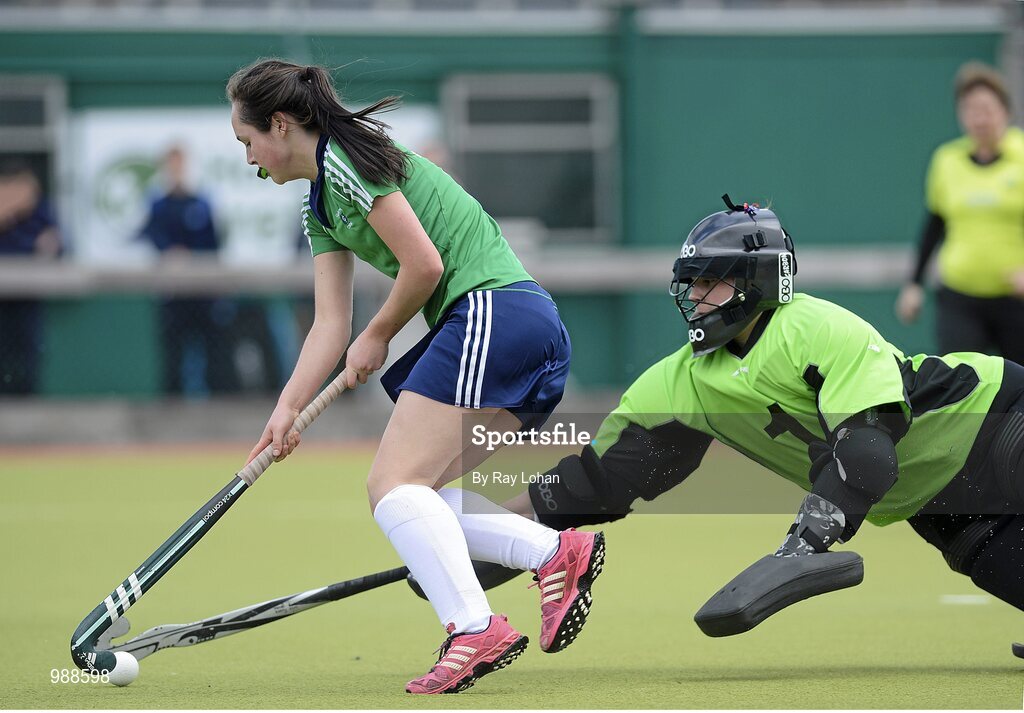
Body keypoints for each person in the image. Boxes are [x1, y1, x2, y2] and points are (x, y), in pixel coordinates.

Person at [461, 196, 1024, 656]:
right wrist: (480, 540)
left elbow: (869, 458)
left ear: (755, 279)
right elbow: (595, 482)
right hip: (938, 504)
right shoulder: (681, 380)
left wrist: (803, 544)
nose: (697, 297)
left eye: (711, 281)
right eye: (692, 283)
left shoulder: (816, 327)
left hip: (997, 419)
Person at [226, 59, 603, 694]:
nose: (248, 159)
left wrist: (377, 335)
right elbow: (327, 325)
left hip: (493, 311)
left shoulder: (345, 162)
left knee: (391, 486)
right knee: (423, 492)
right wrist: (286, 409)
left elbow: (423, 266)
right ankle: (555, 555)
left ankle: (472, 627)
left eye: (247, 141)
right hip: (517, 326)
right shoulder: (320, 205)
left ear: (282, 125)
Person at [896, 61, 1024, 362]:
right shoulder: (946, 160)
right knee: (960, 386)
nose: (980, 119)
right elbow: (934, 224)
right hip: (960, 296)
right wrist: (913, 284)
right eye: (971, 109)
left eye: (987, 109)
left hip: (1015, 300)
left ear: (1005, 111)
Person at [139, 146, 237, 396]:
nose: (176, 171)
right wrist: (171, 255)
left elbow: (213, 243)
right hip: (172, 294)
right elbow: (153, 238)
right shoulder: (158, 206)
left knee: (214, 355)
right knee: (173, 356)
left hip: (202, 293)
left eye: (180, 164)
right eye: (171, 165)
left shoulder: (201, 203)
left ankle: (217, 406)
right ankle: (172, 410)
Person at [0, 161, 62, 394]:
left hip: (29, 294)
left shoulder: (42, 211)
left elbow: (58, 244)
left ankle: (28, 400)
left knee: (29, 351)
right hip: (3, 295)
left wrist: (48, 245)